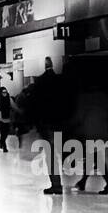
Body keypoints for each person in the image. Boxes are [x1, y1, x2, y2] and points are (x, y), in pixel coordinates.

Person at [34, 58, 76, 194]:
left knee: (51, 155)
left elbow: (36, 105)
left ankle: (56, 184)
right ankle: (70, 167)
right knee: (64, 148)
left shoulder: (40, 82)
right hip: (62, 123)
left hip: (47, 124)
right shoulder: (61, 81)